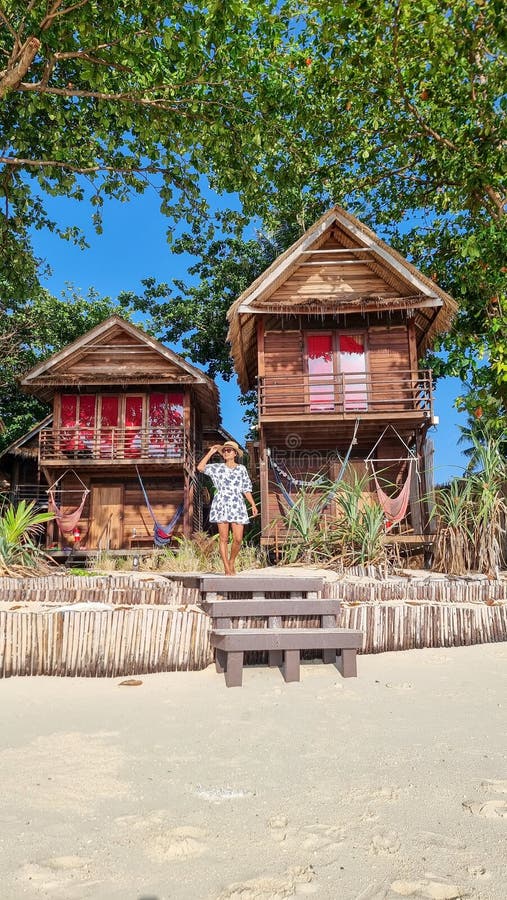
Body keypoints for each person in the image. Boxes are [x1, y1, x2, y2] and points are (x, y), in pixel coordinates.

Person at [197, 441, 258, 575]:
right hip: (221, 504)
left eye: (229, 450)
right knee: (223, 538)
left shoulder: (241, 469)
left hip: (237, 504)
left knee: (238, 539)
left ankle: (231, 561)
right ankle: (226, 566)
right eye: (224, 450)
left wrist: (253, 504)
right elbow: (200, 467)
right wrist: (211, 452)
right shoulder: (217, 468)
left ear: (235, 453)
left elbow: (246, 489)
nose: (226, 452)